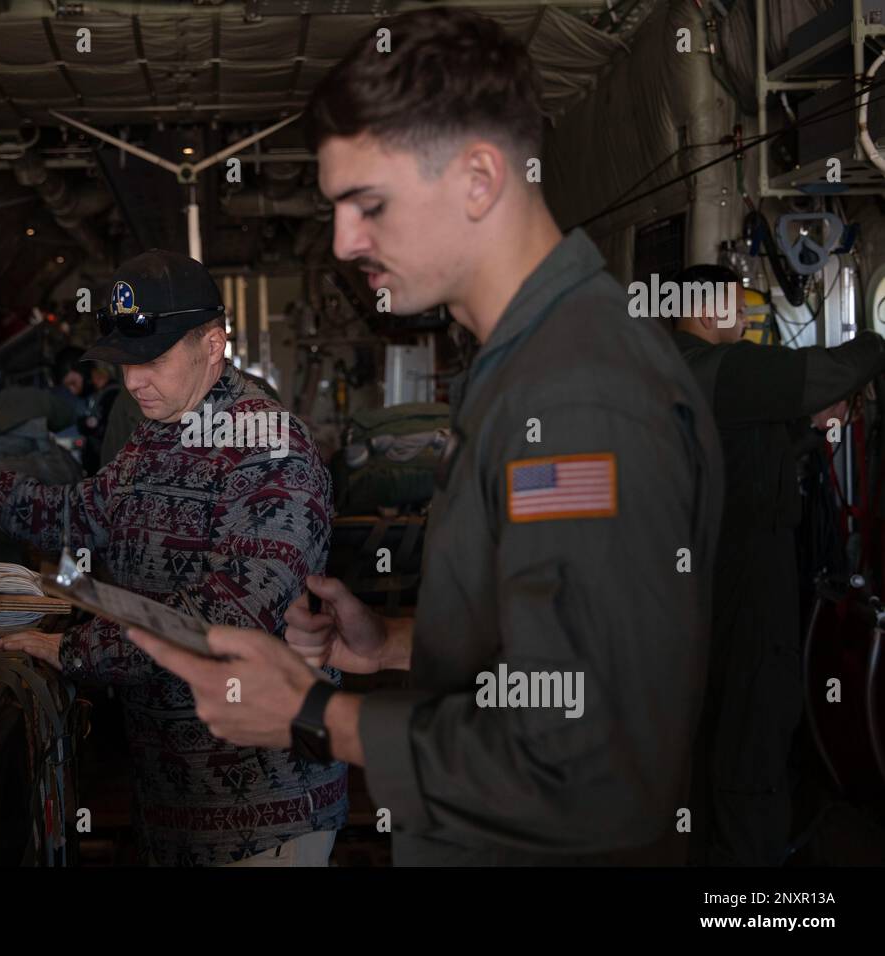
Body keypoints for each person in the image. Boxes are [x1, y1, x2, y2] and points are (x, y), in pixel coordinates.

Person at [125, 7, 724, 866]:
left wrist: (311, 713)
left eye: (368, 204)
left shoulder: (581, 400)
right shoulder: (524, 364)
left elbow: (586, 764)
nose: (343, 241)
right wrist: (395, 643)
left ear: (479, 178)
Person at [0, 249, 347, 866]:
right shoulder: (162, 430)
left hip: (264, 810)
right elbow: (88, 514)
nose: (133, 381)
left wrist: (73, 651)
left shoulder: (270, 448)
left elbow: (222, 618)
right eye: (125, 363)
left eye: (152, 360)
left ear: (212, 345)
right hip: (172, 792)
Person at [669, 263, 885, 865]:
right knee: (754, 726)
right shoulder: (715, 366)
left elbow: (745, 453)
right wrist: (878, 341)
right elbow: (829, 371)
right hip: (739, 571)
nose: (747, 318)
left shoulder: (686, 369)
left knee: (725, 733)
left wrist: (813, 432)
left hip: (715, 565)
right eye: (740, 306)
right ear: (709, 307)